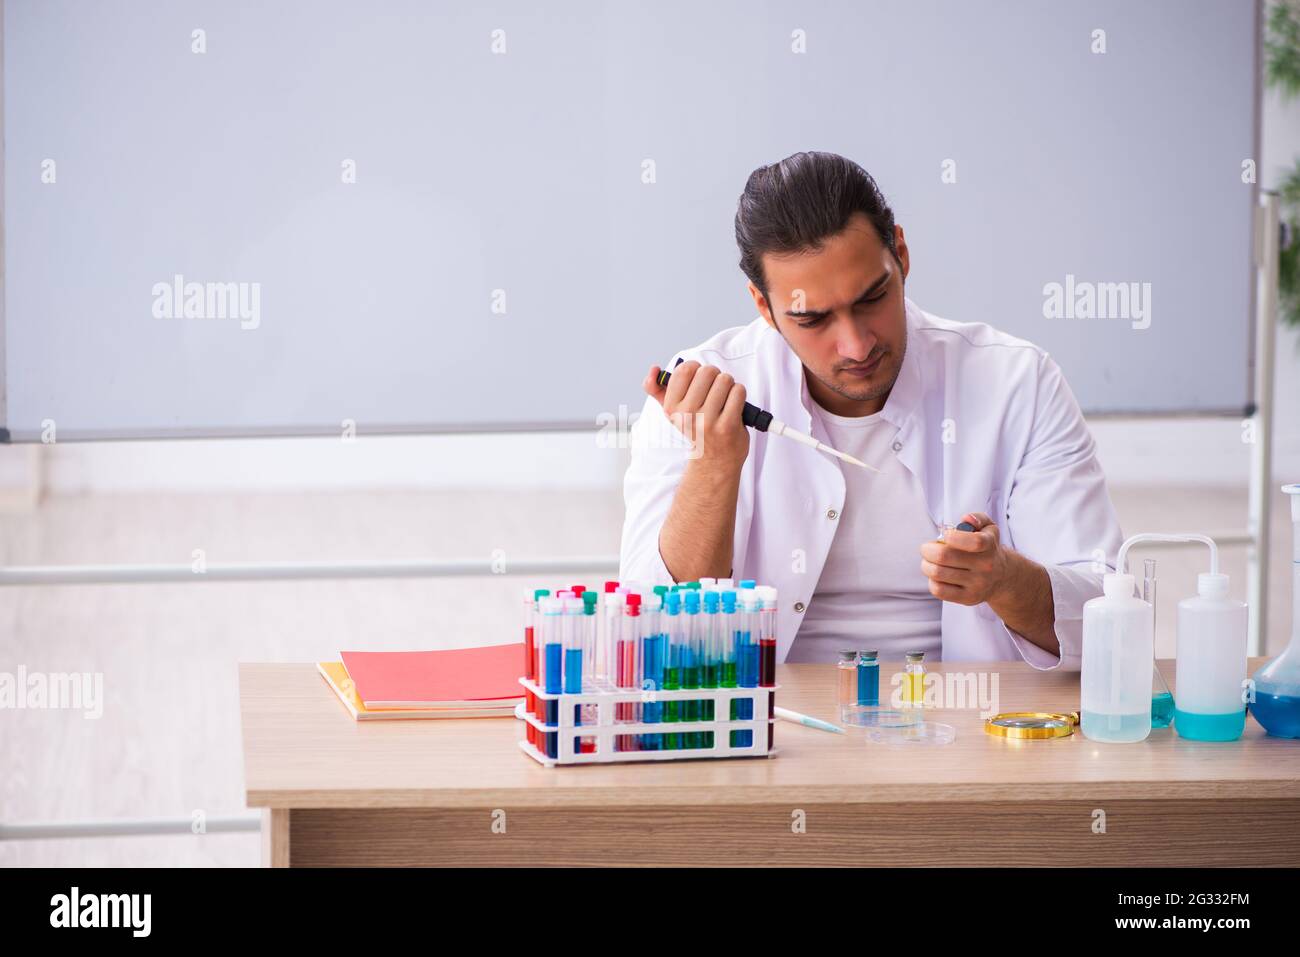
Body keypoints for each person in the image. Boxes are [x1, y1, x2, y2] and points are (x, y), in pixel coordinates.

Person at [618, 151, 1123, 669]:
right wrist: (714, 466)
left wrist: (1005, 580)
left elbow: (1110, 620)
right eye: (813, 320)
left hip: (965, 728)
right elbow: (652, 640)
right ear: (763, 306)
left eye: (872, 297)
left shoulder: (1017, 382)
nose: (856, 346)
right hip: (776, 730)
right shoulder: (700, 396)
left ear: (900, 255)